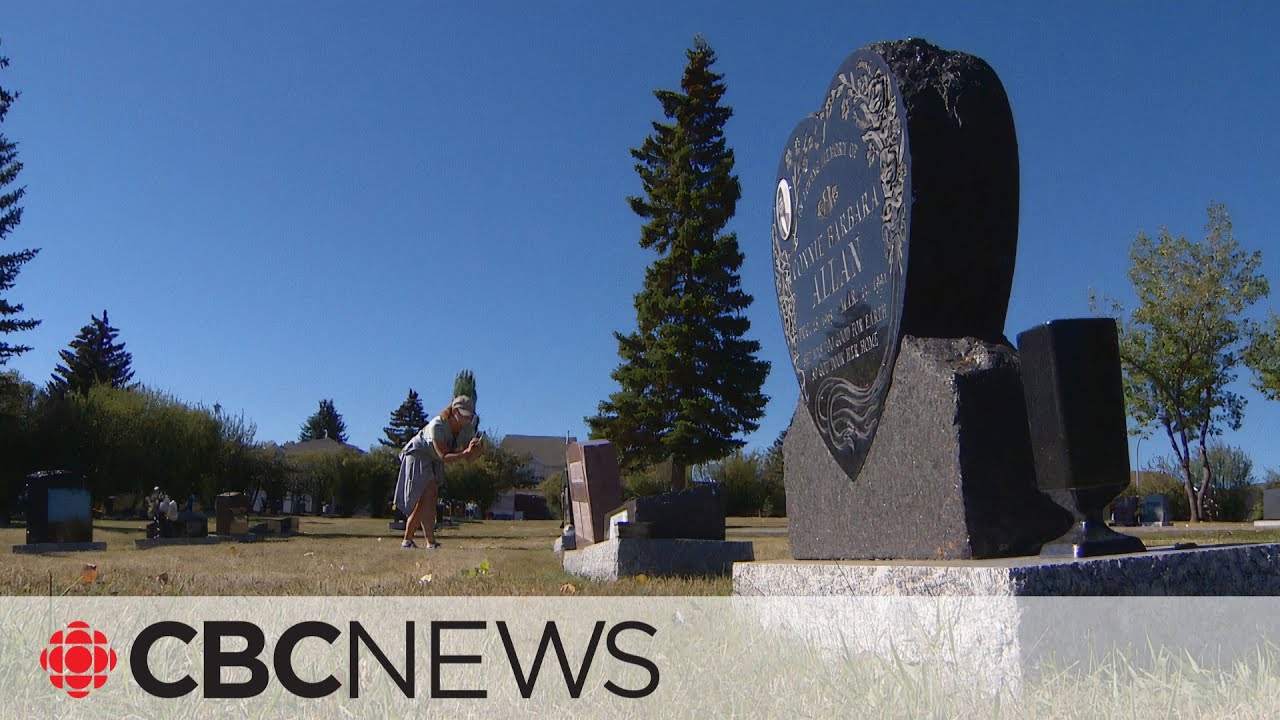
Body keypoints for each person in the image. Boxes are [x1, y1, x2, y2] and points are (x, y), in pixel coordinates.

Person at [394, 394, 483, 549]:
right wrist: (465, 453)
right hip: (418, 454)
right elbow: (444, 456)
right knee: (428, 494)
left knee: (428, 498)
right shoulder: (438, 425)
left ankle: (409, 541)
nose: (468, 419)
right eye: (465, 415)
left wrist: (475, 450)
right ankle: (429, 542)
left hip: (433, 458)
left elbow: (466, 456)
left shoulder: (464, 429)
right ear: (455, 412)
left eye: (470, 416)